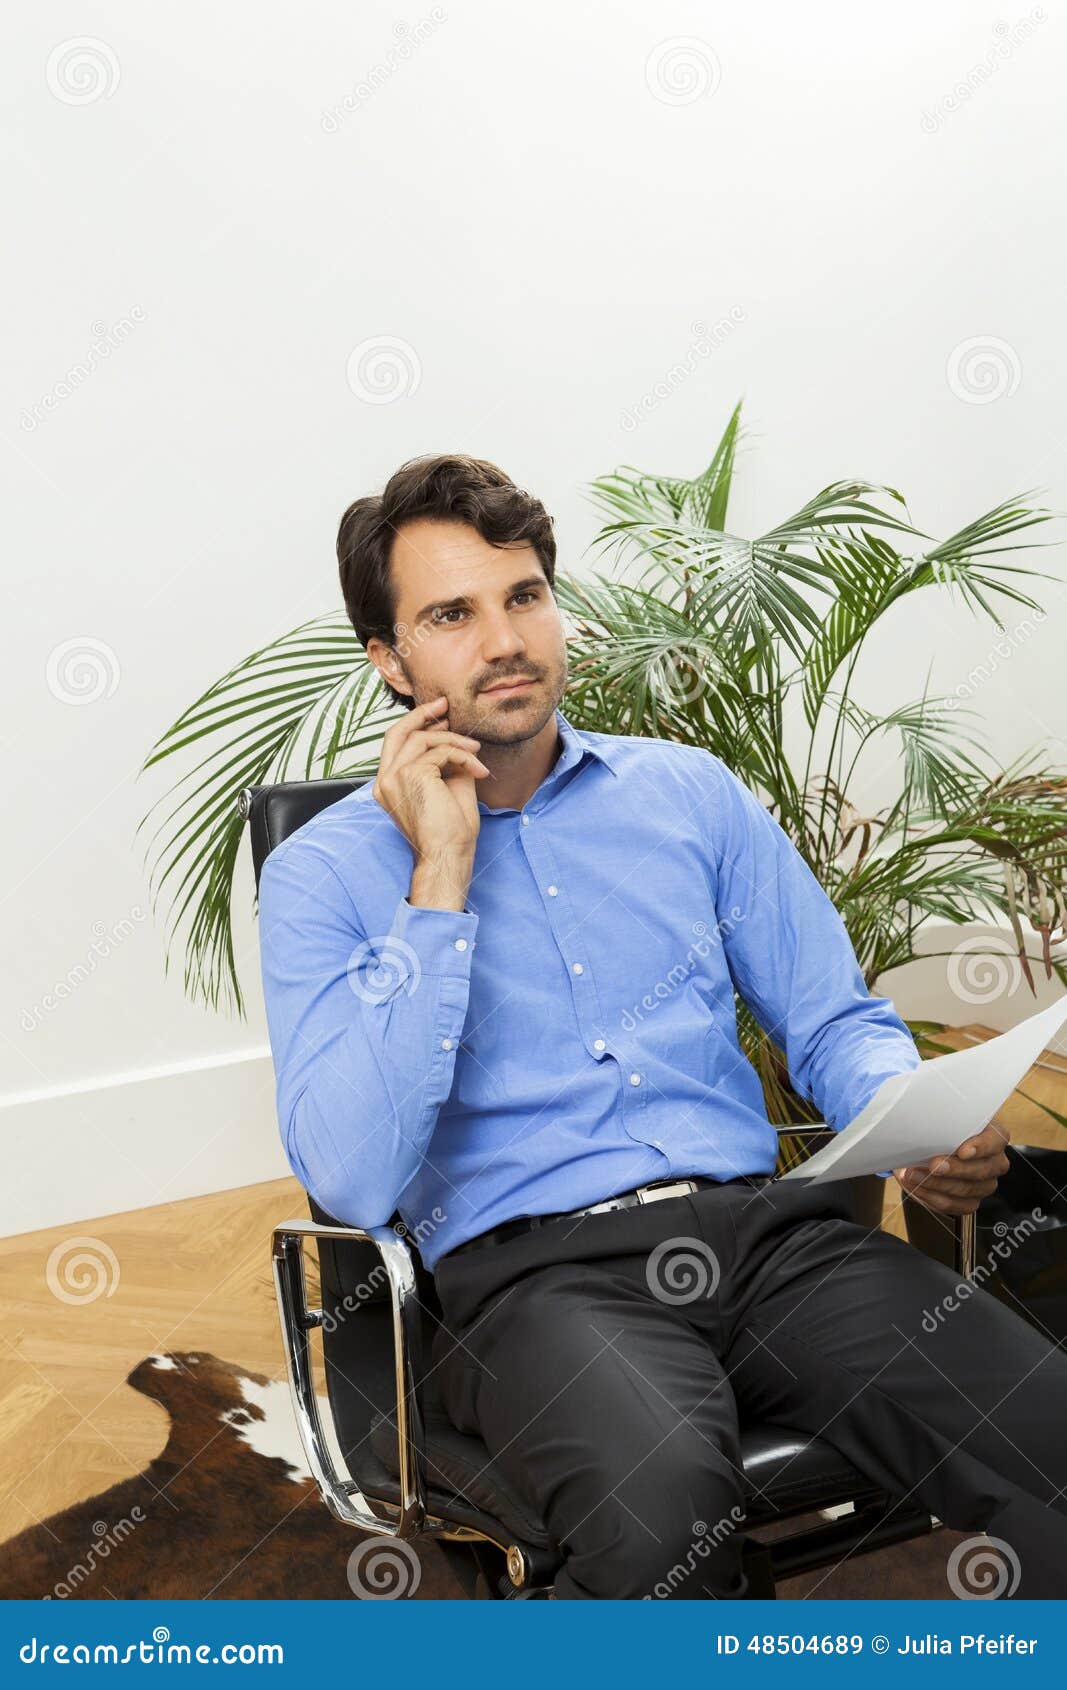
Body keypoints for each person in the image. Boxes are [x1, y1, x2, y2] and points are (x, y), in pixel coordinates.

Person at [257, 453, 1067, 1599]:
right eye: (451, 614)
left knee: (1040, 1424)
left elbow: (832, 1019)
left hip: (766, 1238)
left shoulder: (689, 796)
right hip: (534, 1283)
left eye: (524, 595)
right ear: (388, 660)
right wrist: (436, 876)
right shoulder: (322, 876)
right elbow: (346, 1177)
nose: (504, 639)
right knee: (662, 1513)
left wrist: (908, 1113)